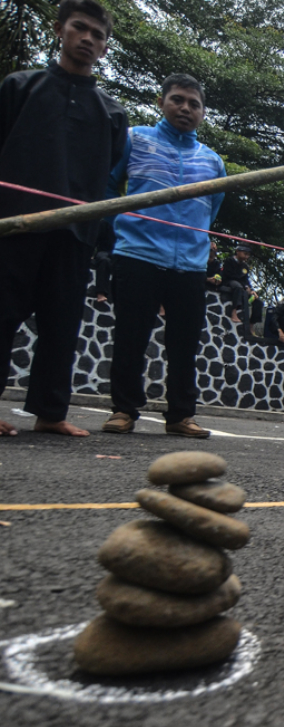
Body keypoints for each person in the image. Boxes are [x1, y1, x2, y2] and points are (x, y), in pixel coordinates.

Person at [0, 0, 128, 438]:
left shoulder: (112, 113)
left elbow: (109, 172)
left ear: (106, 47)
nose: (88, 39)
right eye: (80, 28)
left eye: (98, 34)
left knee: (61, 323)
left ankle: (50, 412)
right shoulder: (20, 87)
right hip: (16, 225)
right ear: (59, 30)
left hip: (76, 232)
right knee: (1, 314)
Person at [100, 73, 225, 439]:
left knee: (184, 345)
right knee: (130, 337)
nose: (185, 108)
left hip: (189, 265)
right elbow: (109, 186)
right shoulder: (135, 139)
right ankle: (124, 409)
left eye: (194, 104)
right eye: (178, 100)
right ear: (162, 102)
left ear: (203, 113)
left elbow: (211, 210)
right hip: (137, 254)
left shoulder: (213, 161)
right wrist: (120, 225)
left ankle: (180, 416)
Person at [221, 244, 257, 324]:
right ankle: (234, 311)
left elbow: (246, 279)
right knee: (238, 287)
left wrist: (250, 289)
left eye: (248, 255)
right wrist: (244, 285)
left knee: (257, 299)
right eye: (245, 253)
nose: (246, 256)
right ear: (237, 251)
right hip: (229, 281)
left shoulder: (245, 266)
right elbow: (229, 275)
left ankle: (252, 324)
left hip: (241, 284)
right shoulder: (229, 261)